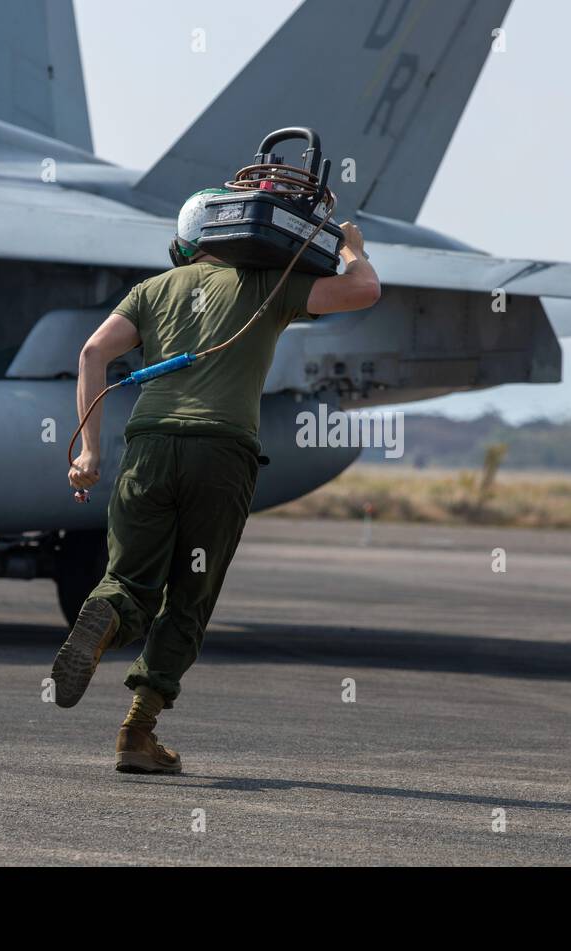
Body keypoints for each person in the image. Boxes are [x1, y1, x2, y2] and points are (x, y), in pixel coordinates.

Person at [50, 189, 380, 773]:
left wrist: (91, 453)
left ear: (185, 242)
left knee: (128, 578)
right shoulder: (266, 285)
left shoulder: (152, 290)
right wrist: (352, 248)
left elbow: (92, 353)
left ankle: (106, 619)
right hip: (221, 456)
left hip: (148, 447)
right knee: (190, 597)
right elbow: (364, 292)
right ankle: (137, 732)